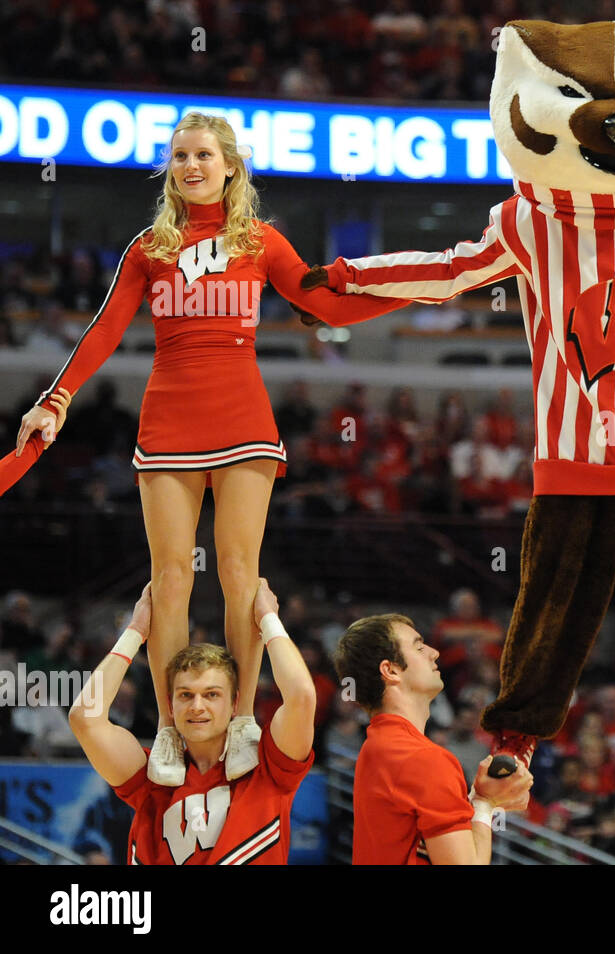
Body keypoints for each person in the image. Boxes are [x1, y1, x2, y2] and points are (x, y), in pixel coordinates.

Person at [14, 113, 406, 786]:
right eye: (180, 156)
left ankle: (243, 719)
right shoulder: (149, 247)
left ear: (230, 165)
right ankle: (170, 727)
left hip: (242, 418)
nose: (191, 165)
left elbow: (329, 307)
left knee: (238, 573)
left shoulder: (261, 240)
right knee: (171, 579)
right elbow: (106, 328)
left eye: (203, 154)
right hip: (169, 418)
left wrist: (421, 286)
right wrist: (57, 398)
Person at [68, 579, 316, 864]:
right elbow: (84, 718)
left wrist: (268, 619)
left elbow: (302, 696)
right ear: (170, 706)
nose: (197, 707)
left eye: (212, 694)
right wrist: (134, 632)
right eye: (186, 695)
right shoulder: (153, 779)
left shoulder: (267, 771)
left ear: (235, 703)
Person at [333, 613, 532, 864]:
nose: (434, 652)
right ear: (391, 670)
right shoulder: (424, 759)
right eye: (419, 647)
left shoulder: (374, 747)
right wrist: (485, 804)